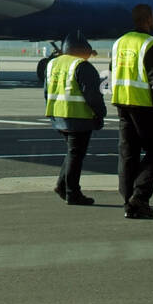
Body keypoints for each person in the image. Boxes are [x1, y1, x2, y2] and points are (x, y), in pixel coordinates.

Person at [110, 4, 153, 219]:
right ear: (149, 18)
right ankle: (140, 197)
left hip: (122, 104)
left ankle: (128, 201)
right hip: (145, 106)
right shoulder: (151, 44)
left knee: (128, 154)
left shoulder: (119, 43)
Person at [43, 30, 107, 205]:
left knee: (72, 153)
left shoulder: (52, 64)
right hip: (78, 117)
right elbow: (93, 96)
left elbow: (46, 92)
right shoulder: (83, 66)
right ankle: (72, 192)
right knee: (76, 155)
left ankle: (62, 186)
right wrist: (100, 115)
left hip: (58, 115)